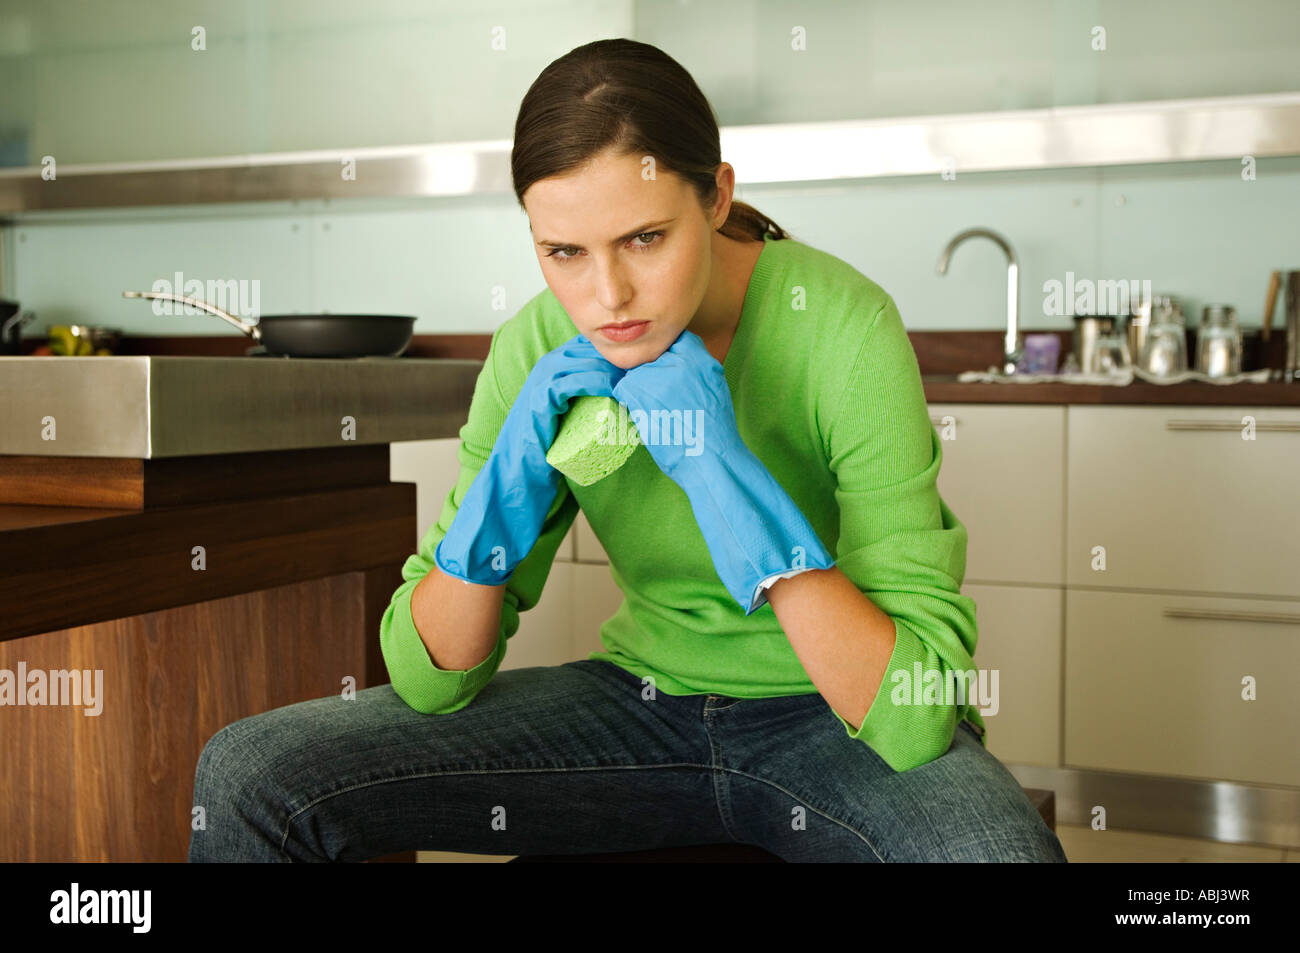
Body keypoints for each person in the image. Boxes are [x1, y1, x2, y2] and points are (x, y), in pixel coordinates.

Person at [188, 38, 1067, 863]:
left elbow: (912, 718)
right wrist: (506, 490)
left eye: (645, 239)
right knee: (249, 773)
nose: (607, 296)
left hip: (832, 719)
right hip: (638, 709)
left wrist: (727, 478)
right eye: (564, 252)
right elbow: (430, 679)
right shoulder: (539, 350)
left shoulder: (842, 324)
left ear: (716, 196)